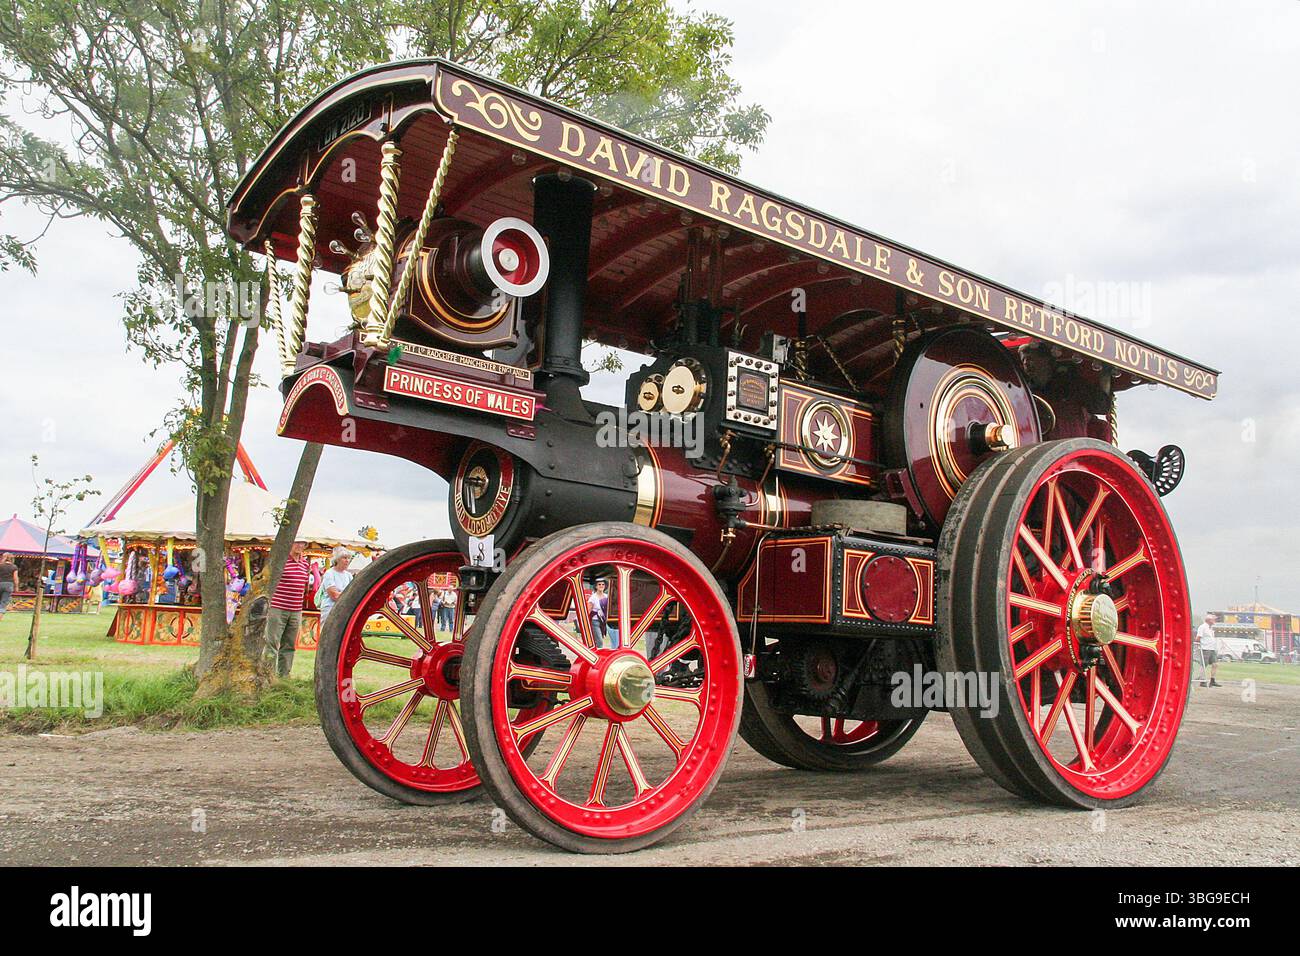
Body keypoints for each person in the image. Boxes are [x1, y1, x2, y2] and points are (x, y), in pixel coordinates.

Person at [265, 542, 312, 678]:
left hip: (296, 609)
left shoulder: (304, 564)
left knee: (289, 644)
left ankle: (284, 675)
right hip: (278, 607)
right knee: (272, 642)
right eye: (297, 542)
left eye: (303, 543)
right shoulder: (282, 561)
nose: (300, 546)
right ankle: (268, 674)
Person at [319, 548, 354, 621]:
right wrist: (348, 596)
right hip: (330, 609)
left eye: (348, 558)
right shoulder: (329, 573)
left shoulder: (349, 575)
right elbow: (334, 595)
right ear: (337, 559)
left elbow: (353, 593)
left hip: (344, 610)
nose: (347, 560)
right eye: (344, 558)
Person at [1197, 612, 1221, 687]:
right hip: (1205, 649)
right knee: (1204, 665)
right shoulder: (1202, 627)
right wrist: (1200, 646)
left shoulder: (1211, 628)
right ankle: (1202, 680)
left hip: (1211, 649)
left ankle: (1212, 680)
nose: (1214, 621)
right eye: (1213, 619)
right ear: (1209, 620)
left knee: (1215, 664)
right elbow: (1198, 638)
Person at [587, 579, 611, 649]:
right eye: (599, 584)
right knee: (599, 641)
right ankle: (598, 656)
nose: (601, 586)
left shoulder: (607, 596)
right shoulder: (593, 597)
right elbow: (588, 610)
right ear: (596, 586)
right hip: (594, 621)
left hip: (603, 621)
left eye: (603, 584)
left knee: (597, 640)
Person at [0, 553, 17, 623]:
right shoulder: (14, 567)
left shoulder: (0, 566)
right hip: (9, 585)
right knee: (3, 603)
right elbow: (15, 578)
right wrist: (16, 587)